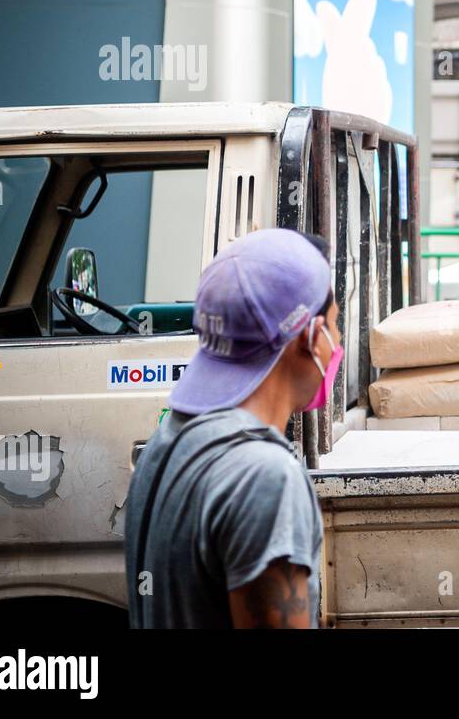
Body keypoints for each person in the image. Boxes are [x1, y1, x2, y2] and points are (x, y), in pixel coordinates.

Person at [124, 228, 343, 628]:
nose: (339, 339)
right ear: (310, 338)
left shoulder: (168, 440)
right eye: (334, 323)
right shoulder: (264, 477)